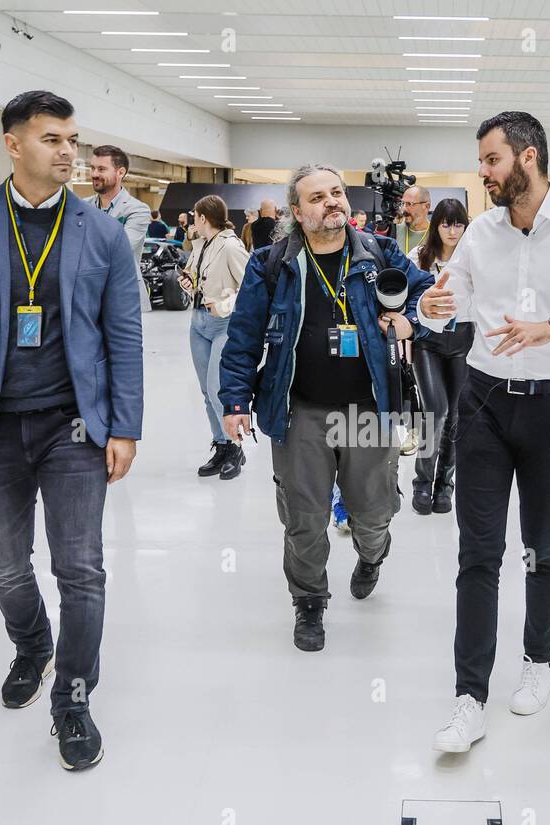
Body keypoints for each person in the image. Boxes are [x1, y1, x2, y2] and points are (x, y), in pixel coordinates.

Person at [0, 90, 143, 772]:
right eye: (51, 139)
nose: (69, 151)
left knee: (81, 568)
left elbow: (124, 335)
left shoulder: (99, 231)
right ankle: (33, 644)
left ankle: (72, 701)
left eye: (72, 138)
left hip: (74, 426)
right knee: (6, 564)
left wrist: (125, 423)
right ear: (13, 145)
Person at [417, 111, 550, 751]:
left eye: (491, 160)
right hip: (483, 405)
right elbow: (446, 300)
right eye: (482, 161)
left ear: (528, 157)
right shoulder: (480, 233)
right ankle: (468, 697)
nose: (482, 174)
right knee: (477, 554)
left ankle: (538, 663)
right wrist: (431, 306)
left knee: (544, 545)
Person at [219, 163, 433, 653]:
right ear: (297, 212)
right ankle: (310, 601)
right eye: (317, 197)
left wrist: (410, 321)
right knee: (304, 517)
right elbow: (245, 336)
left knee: (373, 512)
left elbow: (424, 291)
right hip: (300, 412)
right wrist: (235, 400)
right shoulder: (270, 263)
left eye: (337, 193)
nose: (332, 202)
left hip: (368, 410)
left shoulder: (378, 254)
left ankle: (371, 554)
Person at [180, 194, 250, 480]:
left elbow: (251, 291)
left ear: (202, 218)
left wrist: (223, 304)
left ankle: (235, 447)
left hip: (223, 325)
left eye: (195, 215)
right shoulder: (202, 245)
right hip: (198, 324)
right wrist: (188, 282)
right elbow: (196, 278)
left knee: (217, 389)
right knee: (206, 393)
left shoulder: (231, 246)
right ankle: (221, 445)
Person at [408, 198, 471, 515]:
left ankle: (445, 486)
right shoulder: (418, 258)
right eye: (446, 223)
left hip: (464, 341)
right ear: (436, 225)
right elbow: (406, 302)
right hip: (428, 342)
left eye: (458, 223)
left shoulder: (475, 259)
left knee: (457, 415)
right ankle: (422, 483)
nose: (452, 230)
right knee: (436, 410)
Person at [89, 144, 152, 311]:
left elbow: (120, 248)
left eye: (101, 169)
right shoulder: (82, 206)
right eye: (93, 168)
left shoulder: (138, 209)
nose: (95, 174)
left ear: (120, 172)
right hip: (88, 294)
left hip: (124, 295)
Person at [395, 185, 431, 256]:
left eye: (409, 204)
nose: (403, 209)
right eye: (403, 203)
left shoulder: (437, 234)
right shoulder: (395, 230)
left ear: (426, 206)